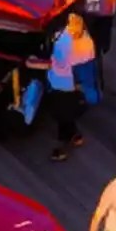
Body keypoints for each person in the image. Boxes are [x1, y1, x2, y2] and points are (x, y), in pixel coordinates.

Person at [46, 13, 95, 162]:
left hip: (61, 83)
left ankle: (61, 146)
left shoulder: (60, 37)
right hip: (71, 85)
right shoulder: (86, 42)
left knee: (62, 115)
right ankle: (73, 134)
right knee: (67, 113)